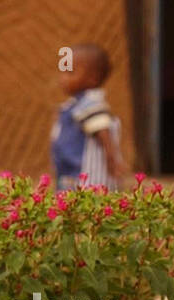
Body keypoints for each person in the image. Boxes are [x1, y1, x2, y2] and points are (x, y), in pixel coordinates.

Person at [51, 43, 127, 191]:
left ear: (92, 79)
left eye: (70, 73)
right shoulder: (75, 104)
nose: (63, 78)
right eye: (62, 72)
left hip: (85, 177)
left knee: (83, 205)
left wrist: (112, 159)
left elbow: (102, 129)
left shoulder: (90, 103)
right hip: (70, 173)